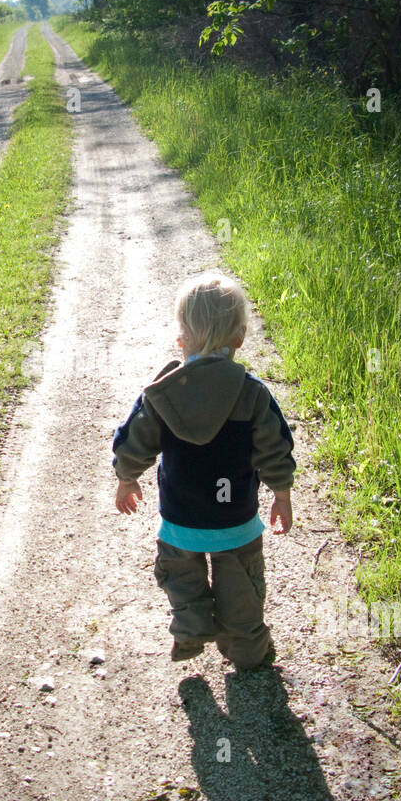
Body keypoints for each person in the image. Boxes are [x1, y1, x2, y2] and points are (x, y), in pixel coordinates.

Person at [112, 271, 295, 666]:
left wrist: (127, 478)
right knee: (241, 588)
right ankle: (247, 649)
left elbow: (134, 441)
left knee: (181, 577)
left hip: (182, 521)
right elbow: (274, 447)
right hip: (236, 522)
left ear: (181, 340)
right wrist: (282, 493)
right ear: (240, 337)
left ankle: (191, 629)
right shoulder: (252, 393)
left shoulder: (163, 394)